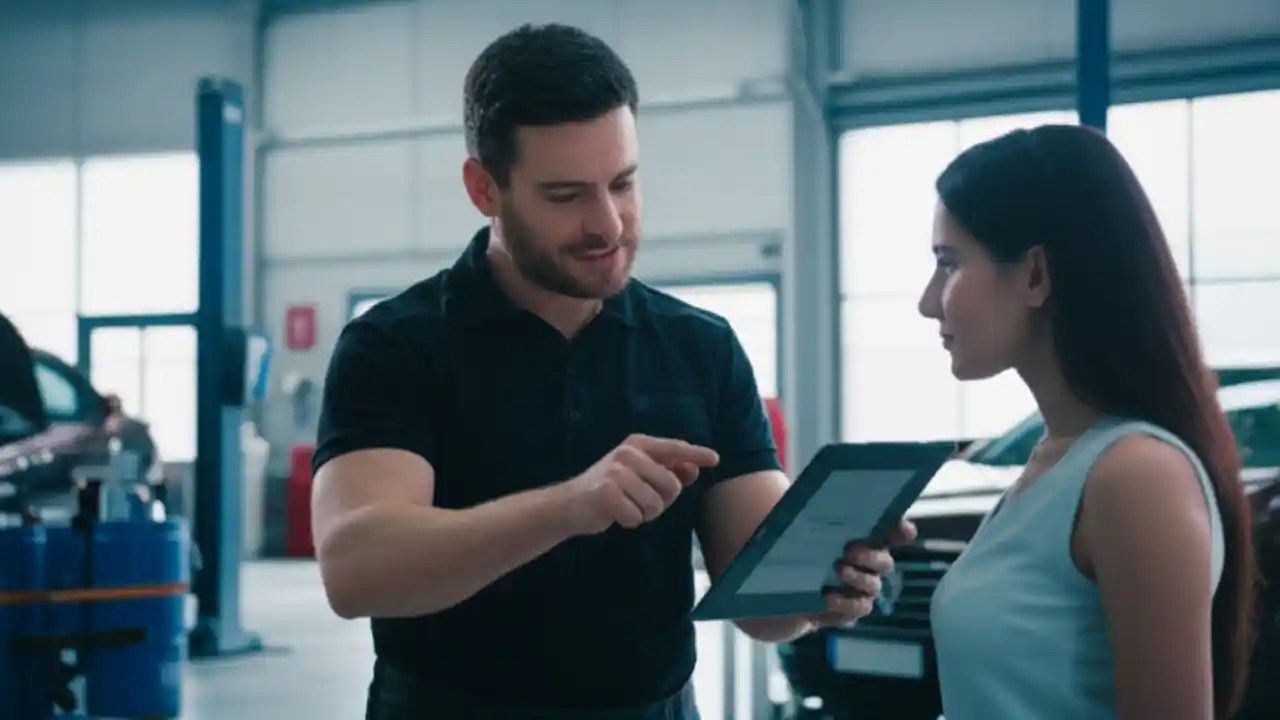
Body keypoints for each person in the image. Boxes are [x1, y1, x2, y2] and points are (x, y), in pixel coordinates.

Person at [310, 23, 911, 720]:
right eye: (566, 196)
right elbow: (356, 571)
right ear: (484, 188)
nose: (608, 224)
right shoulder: (396, 345)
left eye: (623, 183)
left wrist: (819, 587)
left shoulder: (701, 347)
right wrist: (571, 507)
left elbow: (764, 608)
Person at [919, 124, 1257, 719]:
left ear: (1035, 276)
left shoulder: (1136, 476)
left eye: (949, 265)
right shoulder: (1052, 464)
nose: (928, 301)